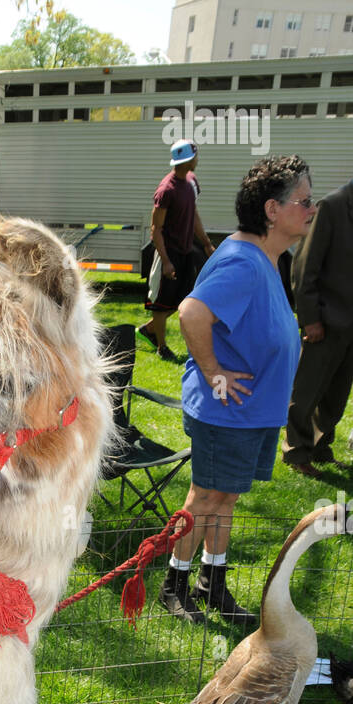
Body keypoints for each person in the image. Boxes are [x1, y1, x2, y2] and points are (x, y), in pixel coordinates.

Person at [158, 155, 314, 624]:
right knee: (205, 498)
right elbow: (191, 313)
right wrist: (213, 372)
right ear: (272, 209)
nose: (311, 209)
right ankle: (174, 585)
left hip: (249, 413)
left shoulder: (266, 256)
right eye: (304, 201)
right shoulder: (244, 262)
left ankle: (212, 583)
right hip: (227, 411)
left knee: (224, 498)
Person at [282, 176, 353, 476]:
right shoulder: (332, 206)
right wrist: (310, 319)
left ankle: (321, 446)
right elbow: (304, 266)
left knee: (336, 396)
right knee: (307, 391)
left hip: (350, 325)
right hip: (324, 321)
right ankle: (296, 452)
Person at [139, 140, 215, 363]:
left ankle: (150, 329)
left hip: (185, 251)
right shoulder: (166, 190)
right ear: (189, 159)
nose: (198, 159)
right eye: (196, 156)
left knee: (184, 298)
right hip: (168, 252)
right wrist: (166, 261)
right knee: (162, 301)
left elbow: (194, 215)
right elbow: (156, 228)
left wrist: (206, 243)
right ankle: (161, 347)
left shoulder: (191, 182)